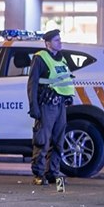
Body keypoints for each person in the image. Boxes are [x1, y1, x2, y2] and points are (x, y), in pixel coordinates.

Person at [27, 29, 75, 192]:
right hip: (46, 105)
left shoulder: (61, 58)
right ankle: (39, 175)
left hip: (60, 105)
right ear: (48, 43)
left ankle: (53, 173)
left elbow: (65, 79)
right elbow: (32, 83)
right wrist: (34, 107)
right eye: (56, 40)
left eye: (60, 39)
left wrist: (69, 96)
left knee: (58, 141)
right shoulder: (40, 58)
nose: (60, 42)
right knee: (42, 140)